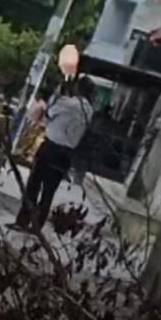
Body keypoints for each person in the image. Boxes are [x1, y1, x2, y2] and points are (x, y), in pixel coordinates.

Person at [13, 77, 94, 232]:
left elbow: (50, 113)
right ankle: (37, 225)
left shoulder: (68, 103)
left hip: (51, 147)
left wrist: (59, 95)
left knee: (34, 184)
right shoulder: (89, 110)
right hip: (67, 153)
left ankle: (23, 220)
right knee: (49, 191)